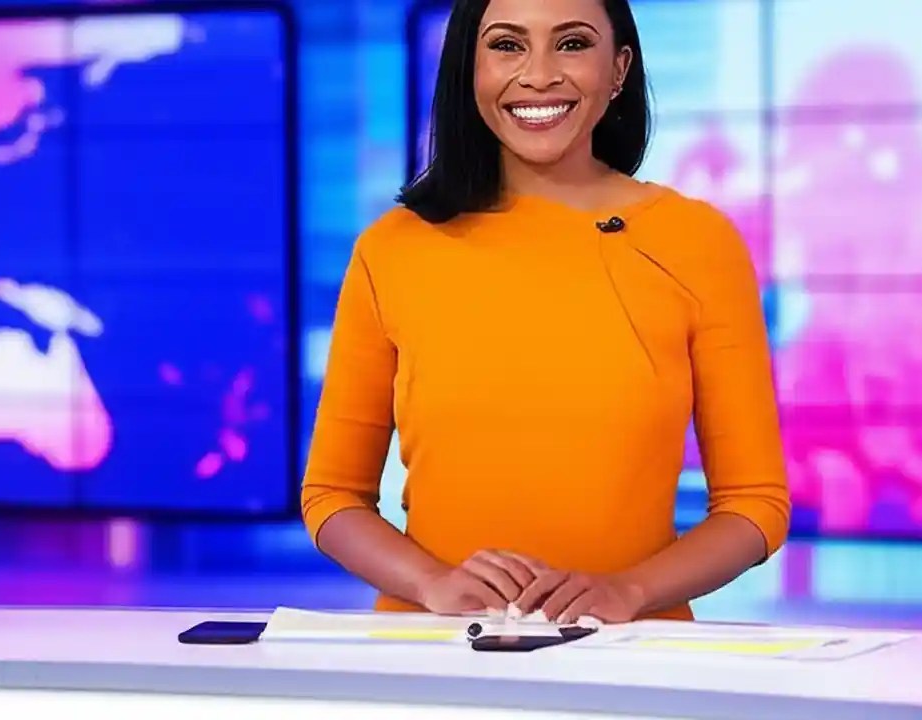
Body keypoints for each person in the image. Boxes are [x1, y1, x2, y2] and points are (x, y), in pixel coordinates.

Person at [301, 0, 790, 623]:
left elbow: (755, 505)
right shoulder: (393, 249)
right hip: (435, 655)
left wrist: (628, 592)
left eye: (572, 44)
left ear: (619, 69)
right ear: (468, 69)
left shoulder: (697, 242)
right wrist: (433, 584)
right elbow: (332, 496)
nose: (538, 75)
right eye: (507, 45)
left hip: (632, 660)